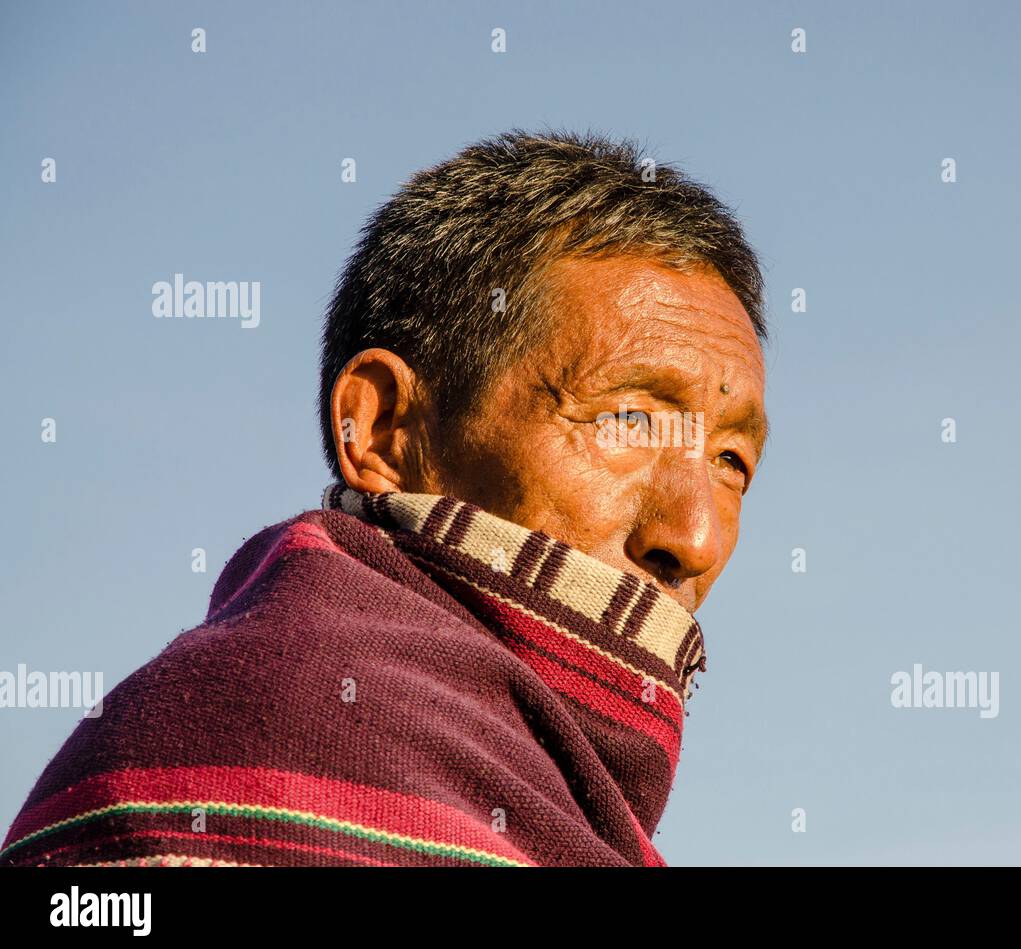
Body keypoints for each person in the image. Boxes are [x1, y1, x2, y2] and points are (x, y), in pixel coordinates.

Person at [1, 129, 768, 867]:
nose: (695, 539)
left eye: (731, 460)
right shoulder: (246, 743)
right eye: (627, 419)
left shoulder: (559, 814)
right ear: (382, 429)